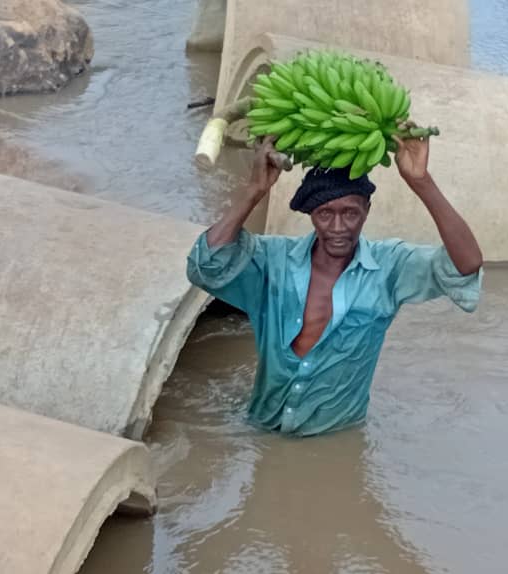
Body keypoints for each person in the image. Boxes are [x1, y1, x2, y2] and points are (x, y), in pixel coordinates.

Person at [186, 132, 483, 436]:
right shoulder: (273, 260)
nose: (338, 227)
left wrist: (421, 181)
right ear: (311, 214)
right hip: (262, 428)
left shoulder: (389, 267)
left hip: (335, 437)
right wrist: (253, 191)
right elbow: (206, 266)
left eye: (350, 213)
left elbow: (465, 265)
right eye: (325, 214)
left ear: (366, 211)